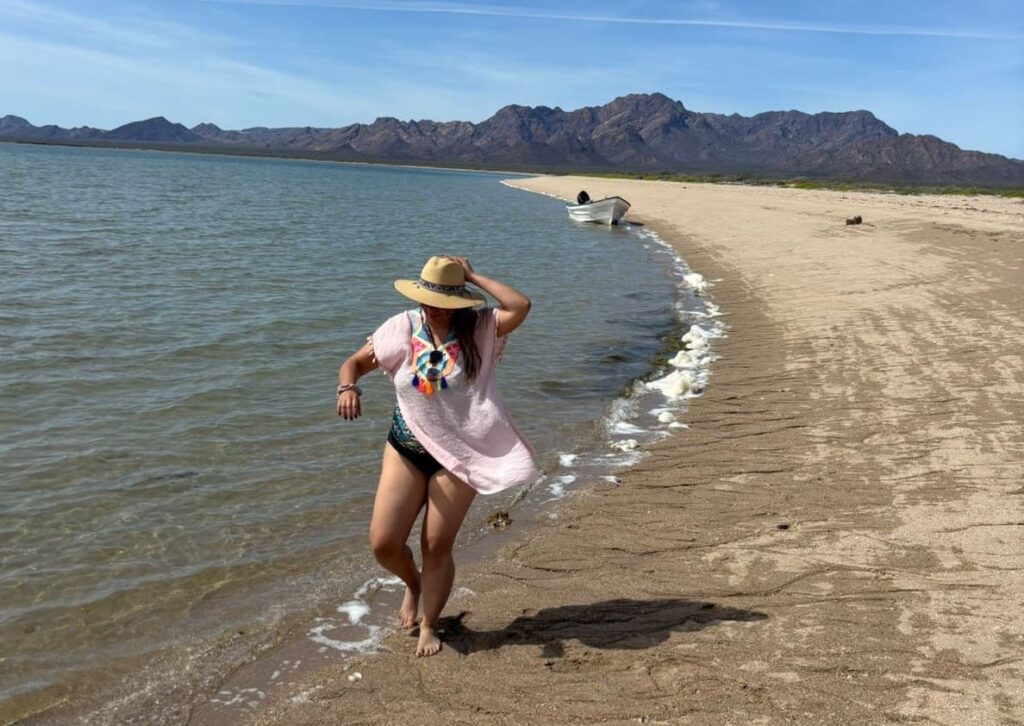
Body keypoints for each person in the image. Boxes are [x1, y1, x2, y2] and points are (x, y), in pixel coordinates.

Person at [336, 255, 538, 657]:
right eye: (427, 298)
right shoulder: (402, 326)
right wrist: (347, 387)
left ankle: (430, 622)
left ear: (460, 300)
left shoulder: (481, 327)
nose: (433, 308)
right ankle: (414, 584)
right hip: (406, 446)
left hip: (460, 454)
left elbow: (521, 306)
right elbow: (355, 362)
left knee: (436, 544)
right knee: (383, 543)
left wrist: (474, 275)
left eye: (443, 300)